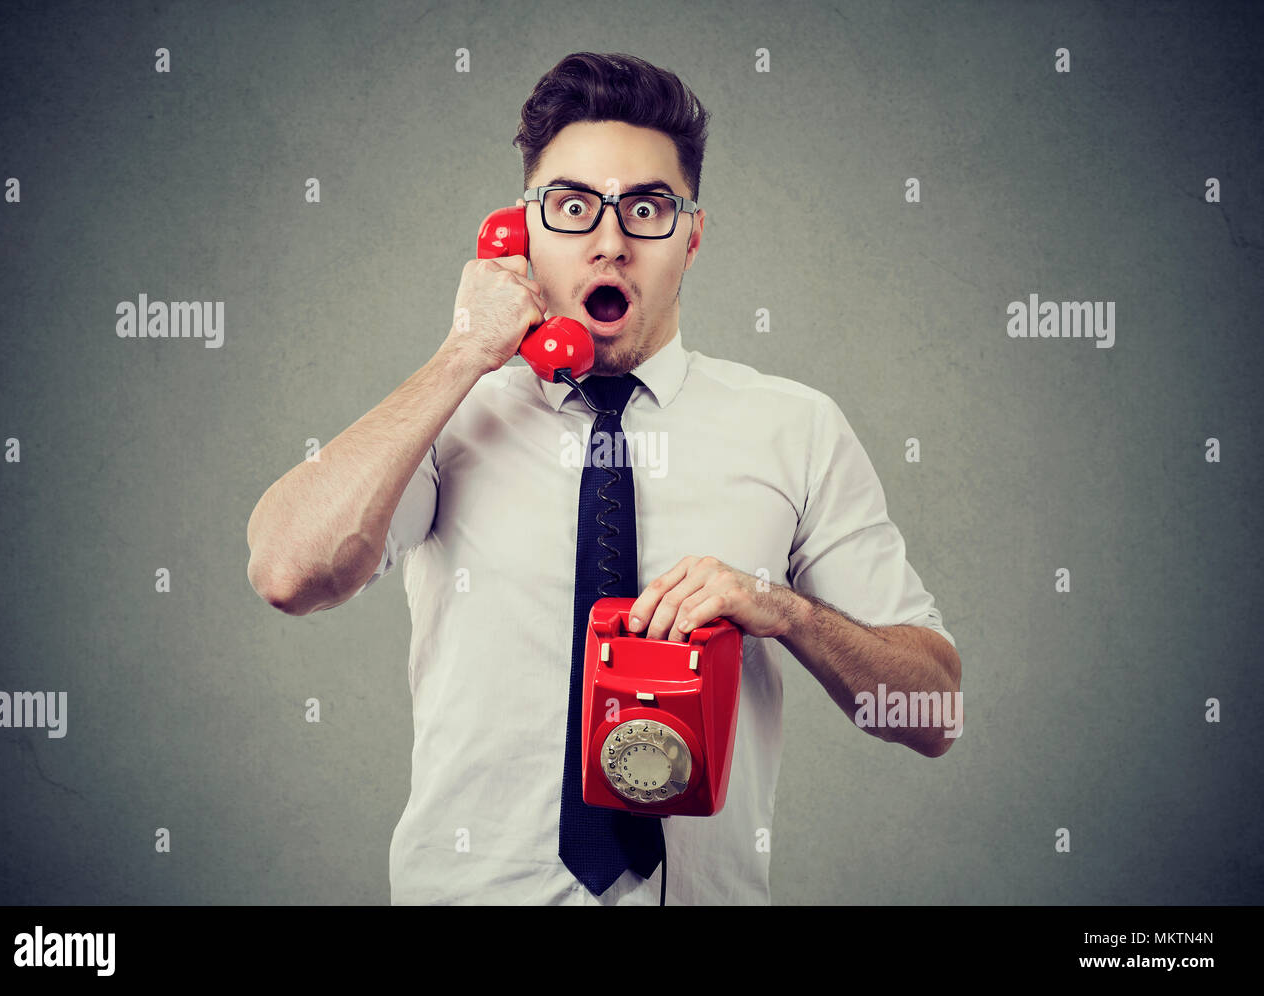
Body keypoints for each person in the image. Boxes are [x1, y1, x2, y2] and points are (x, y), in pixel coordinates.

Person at [245, 52, 962, 905]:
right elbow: (288, 571)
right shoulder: (450, 419)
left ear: (692, 238)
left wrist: (788, 611)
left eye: (648, 208)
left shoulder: (796, 427)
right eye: (573, 206)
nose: (610, 241)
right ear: (520, 229)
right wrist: (462, 355)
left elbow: (934, 716)